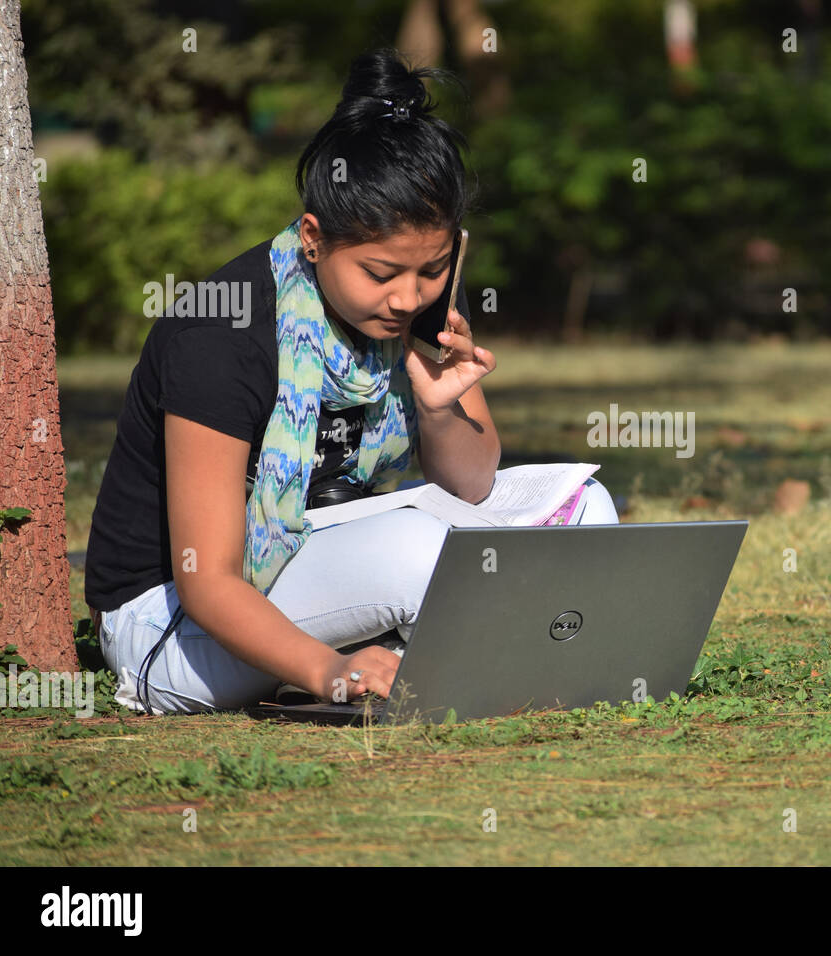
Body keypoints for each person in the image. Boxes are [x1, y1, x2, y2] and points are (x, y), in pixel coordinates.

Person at [82, 49, 618, 716]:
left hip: (326, 567)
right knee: (423, 553)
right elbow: (207, 583)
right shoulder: (222, 336)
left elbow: (473, 485)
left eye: (433, 269)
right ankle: (519, 655)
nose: (407, 297)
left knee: (586, 507)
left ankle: (531, 654)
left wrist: (441, 411)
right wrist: (330, 672)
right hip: (169, 629)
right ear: (314, 238)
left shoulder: (419, 300)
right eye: (381, 272)